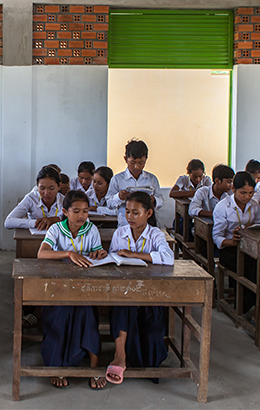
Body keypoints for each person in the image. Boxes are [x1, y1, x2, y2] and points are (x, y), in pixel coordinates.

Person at [37, 190, 107, 390]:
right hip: (59, 287)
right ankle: (57, 364)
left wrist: (99, 253)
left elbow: (97, 252)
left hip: (85, 288)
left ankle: (95, 365)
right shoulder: (56, 229)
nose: (81, 216)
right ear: (65, 211)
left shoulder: (91, 229)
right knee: (62, 313)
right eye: (76, 211)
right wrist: (69, 253)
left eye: (85, 211)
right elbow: (41, 254)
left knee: (87, 314)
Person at [106, 192, 173, 385]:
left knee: (152, 326)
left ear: (149, 213)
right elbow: (113, 258)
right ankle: (120, 356)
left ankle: (146, 360)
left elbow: (168, 258)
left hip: (151, 292)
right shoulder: (120, 233)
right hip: (124, 290)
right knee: (122, 307)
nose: (130, 217)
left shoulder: (155, 234)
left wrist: (134, 255)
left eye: (136, 213)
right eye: (127, 212)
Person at [213, 171, 260, 315]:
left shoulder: (255, 206)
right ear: (233, 189)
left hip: (250, 248)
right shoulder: (223, 207)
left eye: (251, 193)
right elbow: (217, 237)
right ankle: (244, 307)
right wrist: (232, 241)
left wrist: (249, 229)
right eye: (243, 193)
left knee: (259, 267)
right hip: (230, 249)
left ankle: (247, 305)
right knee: (250, 269)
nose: (247, 197)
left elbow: (259, 227)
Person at [106, 139, 163, 227]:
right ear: (125, 159)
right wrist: (119, 197)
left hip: (147, 225)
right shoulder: (117, 179)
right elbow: (109, 203)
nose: (137, 167)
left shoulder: (152, 179)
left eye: (141, 163)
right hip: (125, 224)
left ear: (146, 160)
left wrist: (154, 200)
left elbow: (161, 201)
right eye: (132, 163)